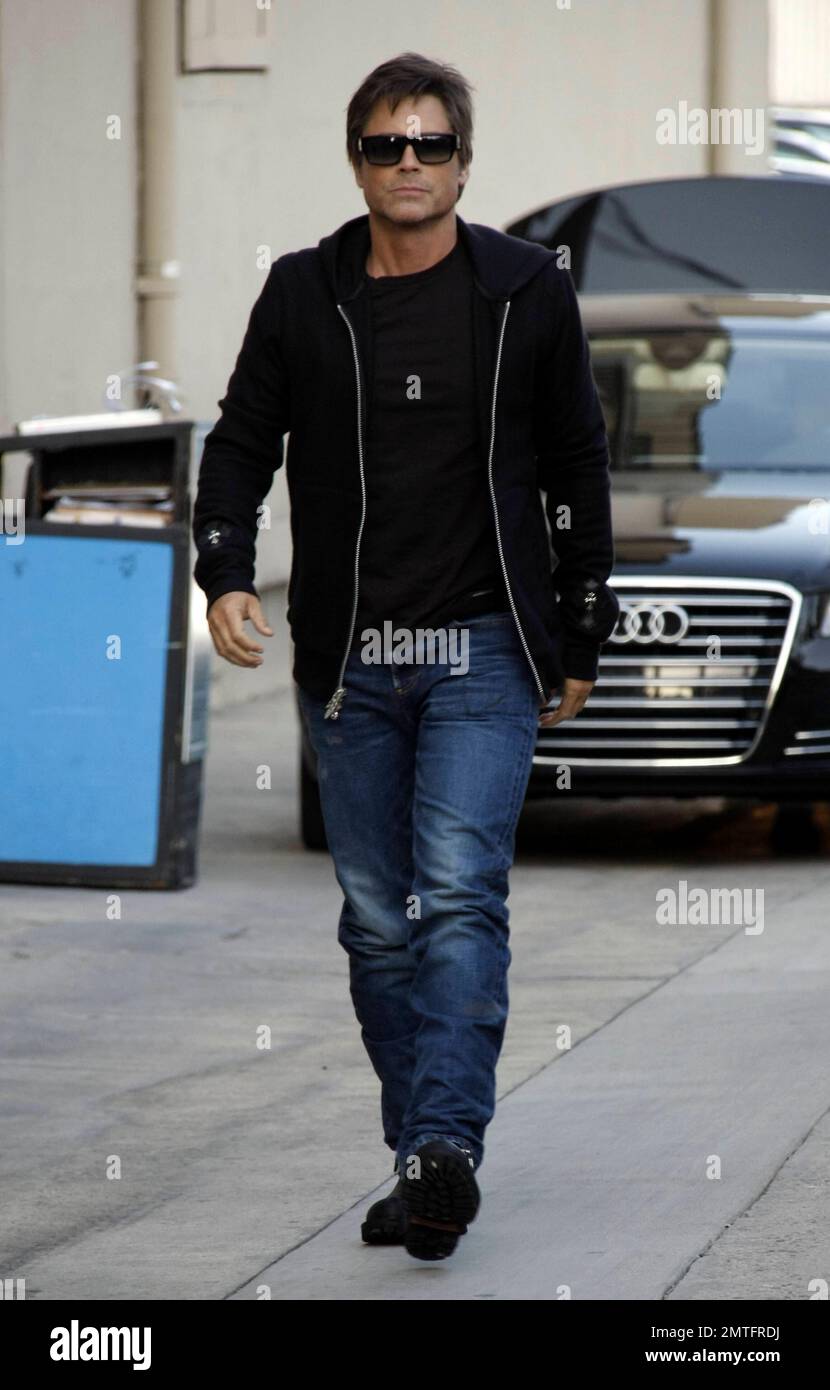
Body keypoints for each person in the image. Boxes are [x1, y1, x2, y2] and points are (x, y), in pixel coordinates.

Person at [192, 51, 619, 1262]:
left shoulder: (524, 287)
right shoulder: (301, 294)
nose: (410, 164)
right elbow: (238, 447)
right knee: (378, 918)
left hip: (484, 645)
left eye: (430, 144)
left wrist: (579, 626)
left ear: (463, 161)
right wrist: (225, 569)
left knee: (458, 893)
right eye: (387, 145)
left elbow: (578, 464)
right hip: (349, 660)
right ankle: (418, 1157)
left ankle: (444, 1147)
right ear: (357, 160)